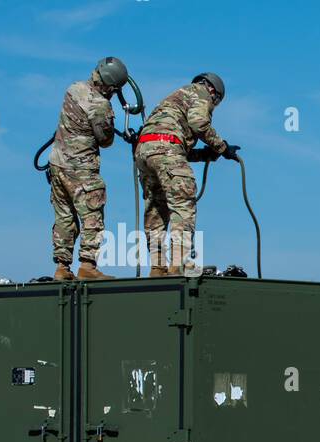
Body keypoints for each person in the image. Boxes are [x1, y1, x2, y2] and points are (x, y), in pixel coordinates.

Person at [134, 72, 238, 276]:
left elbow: (173, 148)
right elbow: (198, 123)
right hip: (167, 149)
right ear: (213, 92)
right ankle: (178, 265)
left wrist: (205, 154)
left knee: (156, 209)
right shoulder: (200, 93)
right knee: (182, 204)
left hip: (145, 150)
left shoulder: (173, 99)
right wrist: (222, 147)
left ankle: (157, 266)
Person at [48, 57, 131, 281]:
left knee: (64, 217)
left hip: (57, 165)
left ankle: (62, 268)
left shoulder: (74, 88)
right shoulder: (100, 104)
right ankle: (87, 266)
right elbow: (105, 139)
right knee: (92, 214)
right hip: (81, 169)